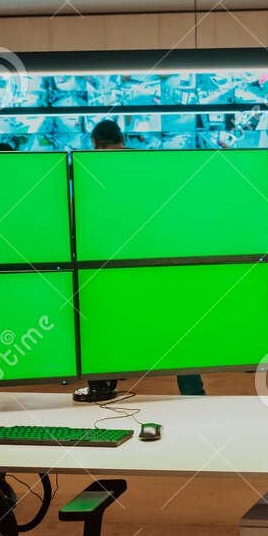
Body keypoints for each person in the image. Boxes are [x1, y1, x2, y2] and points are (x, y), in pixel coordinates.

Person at [89, 118, 205, 398]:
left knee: (107, 330)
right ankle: (193, 395)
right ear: (121, 139)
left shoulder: (92, 169)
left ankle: (103, 391)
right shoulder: (148, 162)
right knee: (177, 335)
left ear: (97, 144)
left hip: (114, 267)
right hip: (160, 262)